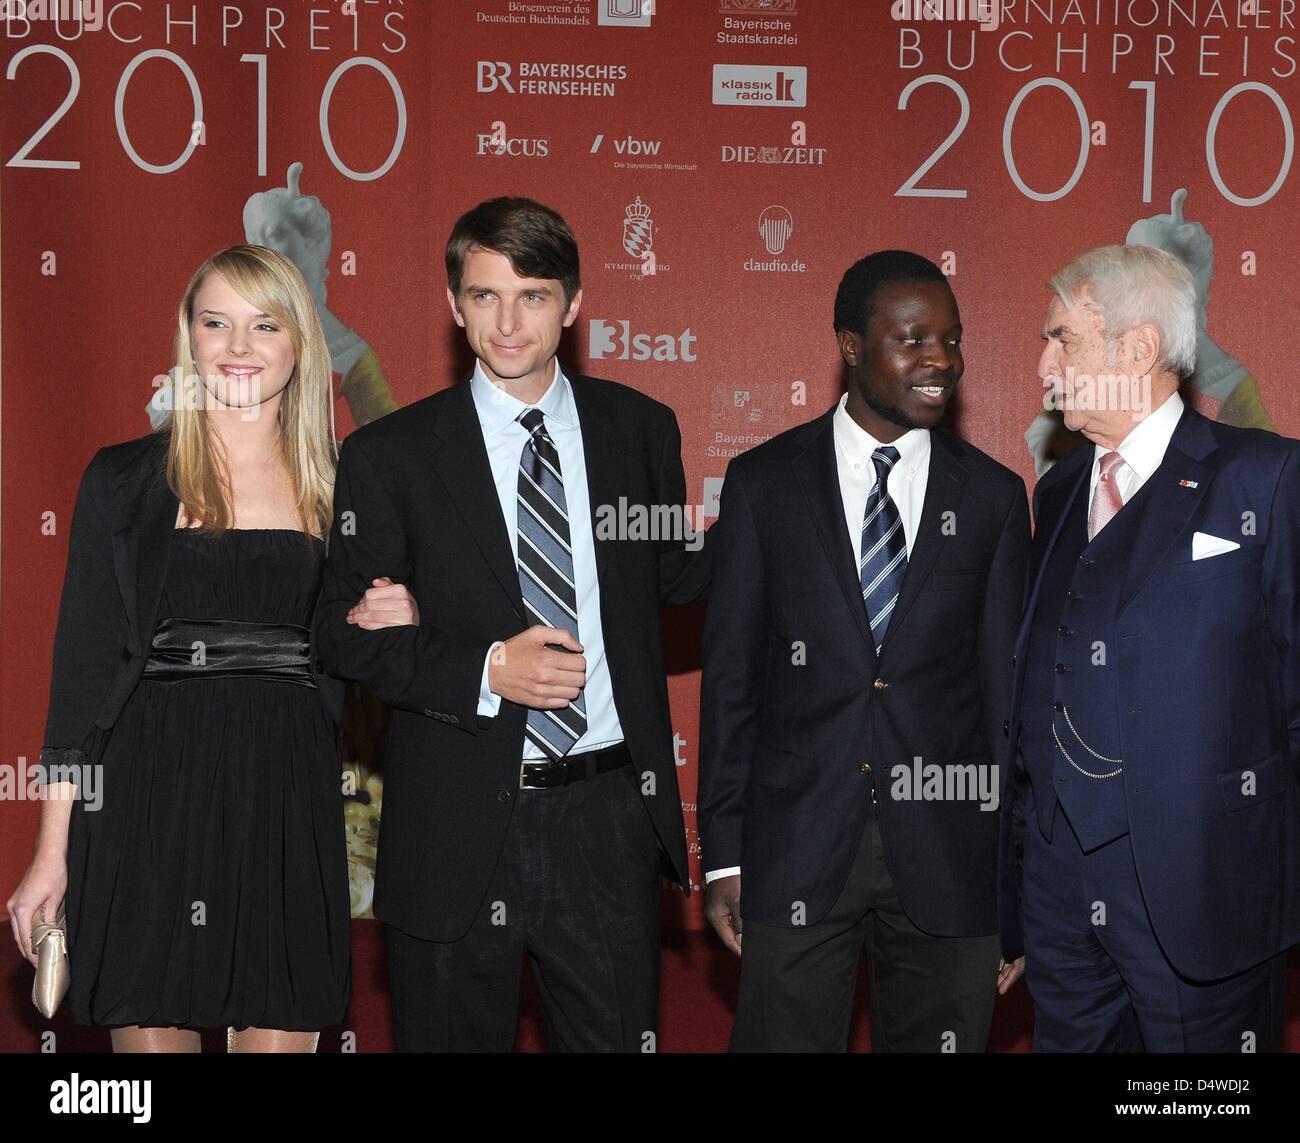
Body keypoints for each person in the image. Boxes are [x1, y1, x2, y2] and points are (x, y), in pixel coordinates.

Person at [314, 196, 712, 1052]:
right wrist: (486, 666)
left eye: (532, 294)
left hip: (607, 821)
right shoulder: (392, 455)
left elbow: (675, 577)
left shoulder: (639, 431)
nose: (508, 320)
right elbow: (342, 638)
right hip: (454, 824)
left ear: (572, 304)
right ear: (455, 306)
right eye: (484, 295)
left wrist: (789, 508)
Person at [6, 245, 361, 1052]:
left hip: (284, 811)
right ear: (188, 339)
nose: (237, 347)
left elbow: (373, 657)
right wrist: (51, 855)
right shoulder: (123, 483)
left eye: (263, 324)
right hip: (144, 810)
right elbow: (82, 685)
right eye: (216, 323)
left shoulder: (348, 490)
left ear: (299, 344)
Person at [698, 250, 1029, 1052]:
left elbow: (1007, 703)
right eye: (912, 339)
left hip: (951, 857)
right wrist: (724, 858)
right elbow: (732, 682)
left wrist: (1013, 883)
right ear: (850, 346)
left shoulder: (991, 496)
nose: (939, 361)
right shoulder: (762, 484)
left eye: (951, 339)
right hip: (796, 847)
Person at [1005, 242, 1300, 1051]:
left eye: (1060, 337)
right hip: (1063, 888)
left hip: (1204, 887)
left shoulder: (1264, 479)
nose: (1041, 363)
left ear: (1136, 347)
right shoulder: (1060, 488)